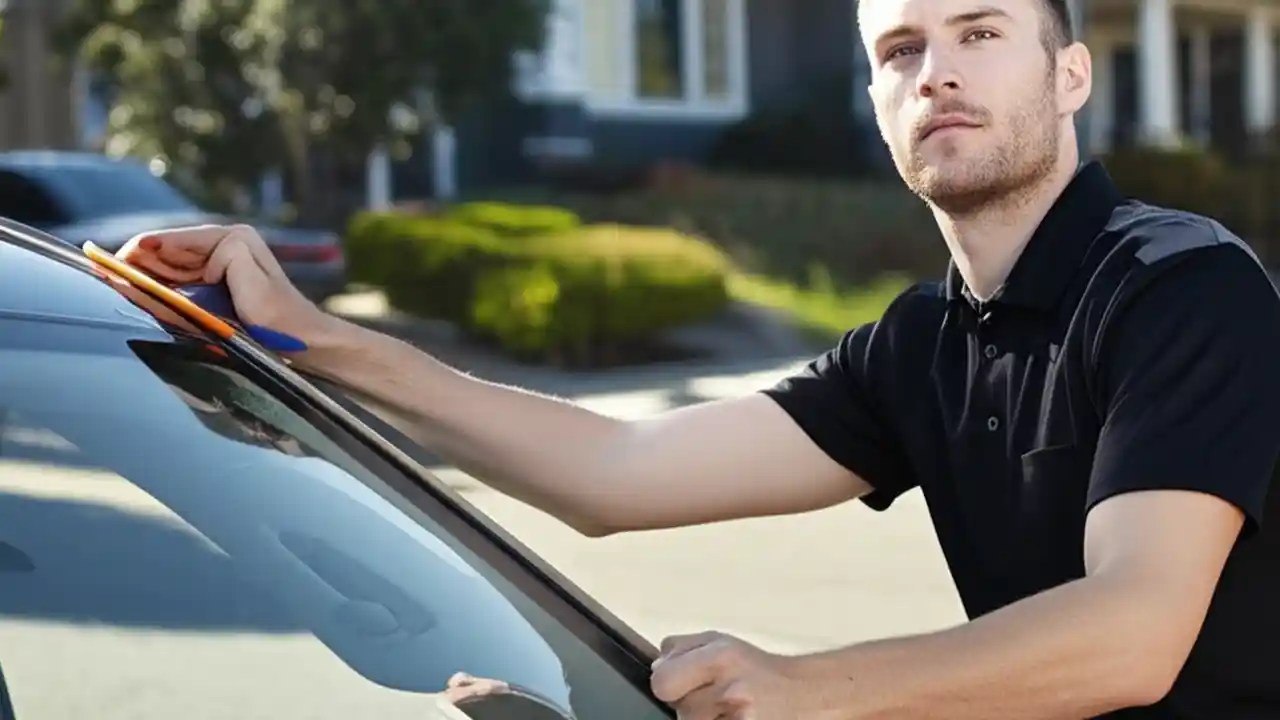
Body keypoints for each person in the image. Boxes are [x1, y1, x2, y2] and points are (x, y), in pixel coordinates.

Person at [115, 0, 1280, 715]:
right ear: (872, 99)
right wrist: (314, 341)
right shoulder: (924, 343)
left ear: (1067, 74)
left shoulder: (1179, 287)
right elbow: (614, 473)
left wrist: (801, 690)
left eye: (980, 33)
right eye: (899, 48)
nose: (935, 72)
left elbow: (1131, 635)